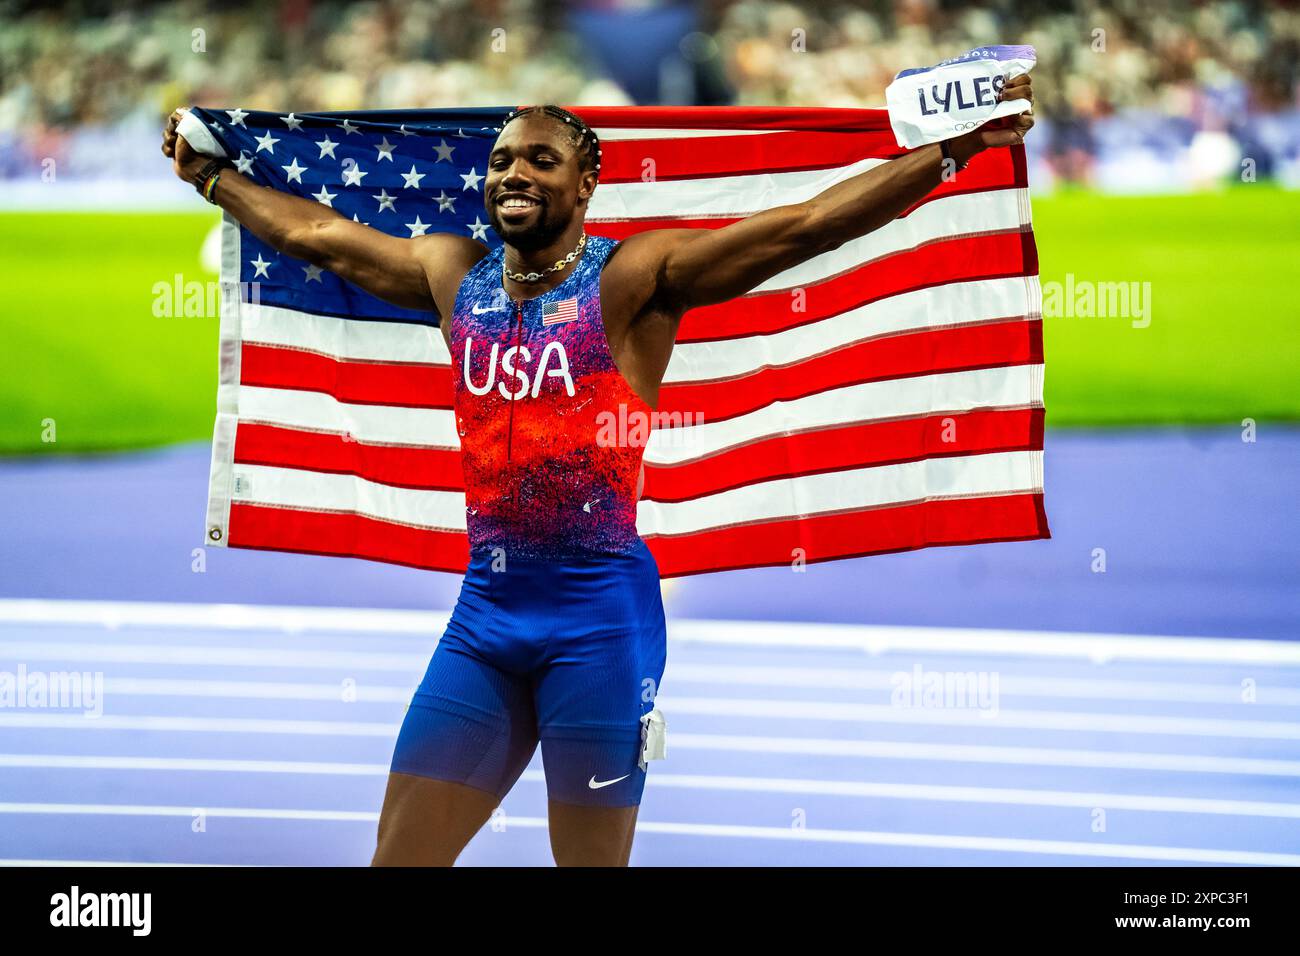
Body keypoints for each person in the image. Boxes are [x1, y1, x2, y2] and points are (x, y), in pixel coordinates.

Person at [161, 82, 1035, 866]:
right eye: (503, 159)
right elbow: (321, 238)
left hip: (601, 627)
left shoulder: (633, 279)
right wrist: (212, 180)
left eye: (543, 160)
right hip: (485, 619)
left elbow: (807, 226)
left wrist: (953, 150)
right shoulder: (450, 273)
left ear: (586, 185)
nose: (515, 174)